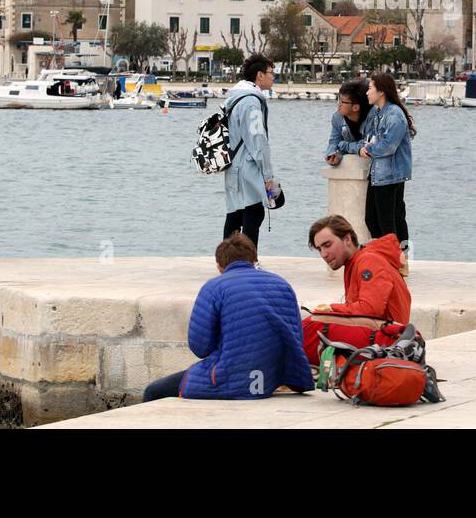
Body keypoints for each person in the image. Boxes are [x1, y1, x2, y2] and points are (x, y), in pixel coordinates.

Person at [141, 234, 312, 401]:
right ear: (254, 260)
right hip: (273, 378)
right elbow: (296, 336)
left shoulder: (214, 288)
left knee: (153, 391)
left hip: (232, 379)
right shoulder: (283, 285)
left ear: (219, 267)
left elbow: (200, 347)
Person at [301, 214, 411, 365]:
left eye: (327, 245)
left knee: (309, 328)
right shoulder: (355, 262)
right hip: (382, 334)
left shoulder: (369, 261)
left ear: (347, 239)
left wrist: (331, 308)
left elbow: (370, 309)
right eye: (319, 249)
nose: (324, 254)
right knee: (308, 325)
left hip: (389, 340)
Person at [223, 54, 276, 250]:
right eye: (271, 73)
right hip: (248, 167)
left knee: (236, 215)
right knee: (254, 213)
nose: (273, 77)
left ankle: (227, 262)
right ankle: (248, 263)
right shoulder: (251, 102)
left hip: (234, 165)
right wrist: (268, 175)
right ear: (260, 75)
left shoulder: (235, 97)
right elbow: (257, 140)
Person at [359, 72, 414, 257]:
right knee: (372, 219)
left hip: (391, 175)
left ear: (381, 91)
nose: (367, 92)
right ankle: (388, 257)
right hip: (377, 174)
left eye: (370, 88)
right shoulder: (377, 113)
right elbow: (369, 135)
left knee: (390, 221)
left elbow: (389, 146)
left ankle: (398, 259)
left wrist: (369, 150)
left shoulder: (394, 115)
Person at [325, 78, 369, 166]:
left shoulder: (372, 118)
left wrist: (343, 145)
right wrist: (332, 154)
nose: (338, 104)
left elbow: (366, 145)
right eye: (338, 100)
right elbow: (334, 142)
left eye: (342, 102)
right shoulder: (337, 117)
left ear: (355, 107)